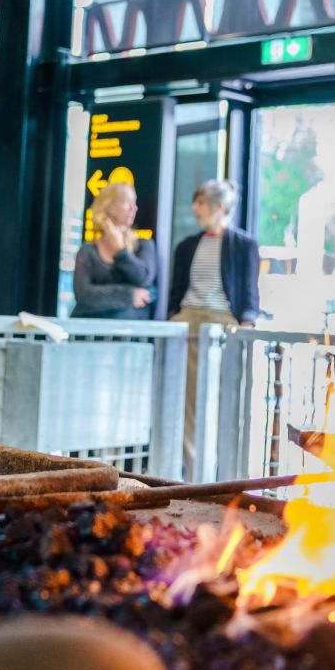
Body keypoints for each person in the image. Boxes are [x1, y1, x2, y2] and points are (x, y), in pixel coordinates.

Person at [169, 179, 260, 478]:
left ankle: (223, 473)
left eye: (202, 203)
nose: (195, 209)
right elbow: (176, 292)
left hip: (223, 324)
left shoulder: (244, 245)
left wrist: (245, 328)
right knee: (186, 400)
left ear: (220, 207)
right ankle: (193, 471)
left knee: (225, 399)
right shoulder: (186, 246)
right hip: (189, 322)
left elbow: (248, 293)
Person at [71, 182, 156, 319]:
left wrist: (120, 250)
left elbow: (143, 280)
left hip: (130, 334)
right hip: (89, 333)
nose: (133, 208)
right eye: (126, 202)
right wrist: (129, 295)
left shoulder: (143, 246)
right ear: (109, 206)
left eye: (134, 202)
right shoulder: (87, 251)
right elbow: (83, 294)